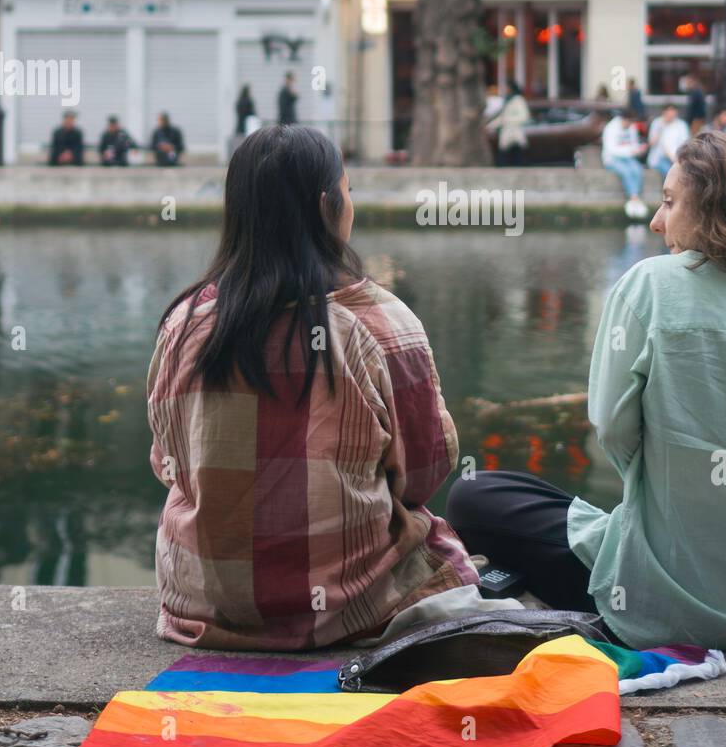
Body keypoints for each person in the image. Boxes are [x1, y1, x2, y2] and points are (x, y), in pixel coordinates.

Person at [447, 131, 726, 652]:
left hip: (665, 602)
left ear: (716, 209)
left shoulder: (650, 285)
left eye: (669, 202)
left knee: (473, 495)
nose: (658, 222)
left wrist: (673, 482)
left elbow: (613, 429)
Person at [149, 125, 479, 649]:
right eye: (348, 191)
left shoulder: (185, 325)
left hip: (205, 603)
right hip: (348, 606)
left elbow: (168, 463)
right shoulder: (383, 322)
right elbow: (421, 476)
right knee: (451, 521)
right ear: (330, 205)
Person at [601, 109, 648, 220]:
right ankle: (634, 198)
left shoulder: (631, 127)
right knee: (626, 171)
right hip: (612, 158)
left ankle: (635, 198)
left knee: (637, 169)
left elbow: (634, 143)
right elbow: (611, 149)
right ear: (623, 119)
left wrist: (638, 149)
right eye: (628, 122)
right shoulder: (611, 128)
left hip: (628, 157)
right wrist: (630, 151)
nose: (630, 125)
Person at [485, 79, 531, 166]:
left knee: (516, 158)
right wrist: (490, 126)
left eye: (507, 88)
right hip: (506, 133)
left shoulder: (518, 100)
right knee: (505, 158)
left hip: (515, 134)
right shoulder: (507, 100)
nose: (506, 90)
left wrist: (508, 120)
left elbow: (524, 116)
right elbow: (501, 118)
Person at [647, 102, 689, 178]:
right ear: (664, 112)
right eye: (669, 112)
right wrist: (661, 126)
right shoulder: (657, 123)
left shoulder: (681, 124)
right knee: (670, 172)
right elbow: (651, 143)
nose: (671, 114)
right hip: (659, 158)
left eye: (673, 112)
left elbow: (686, 143)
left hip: (678, 157)